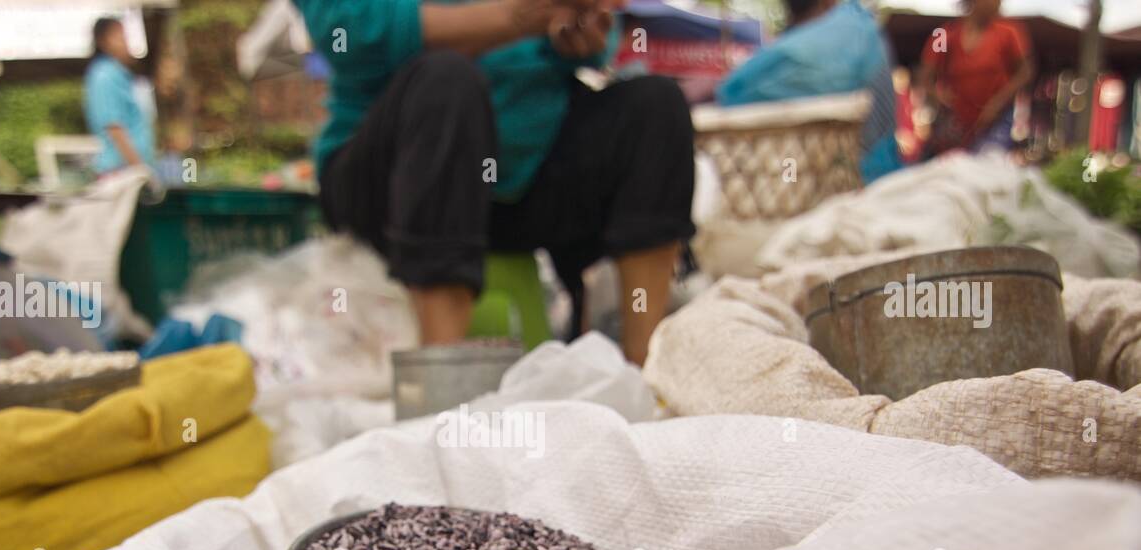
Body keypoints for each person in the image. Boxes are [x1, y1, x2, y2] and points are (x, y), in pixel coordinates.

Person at [295, 0, 695, 364]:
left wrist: (576, 36)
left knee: (655, 106)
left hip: (517, 181)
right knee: (447, 80)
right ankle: (441, 379)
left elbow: (591, 41)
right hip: (390, 185)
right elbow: (346, 36)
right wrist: (513, 17)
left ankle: (644, 369)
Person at [717, 0, 902, 183]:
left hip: (794, 180)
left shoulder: (770, 64)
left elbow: (730, 91)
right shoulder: (860, 31)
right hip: (868, 178)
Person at [917, 0, 1034, 154]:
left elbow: (1025, 71)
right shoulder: (945, 35)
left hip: (995, 123)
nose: (999, 4)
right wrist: (938, 95)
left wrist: (997, 103)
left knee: (987, 166)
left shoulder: (1009, 32)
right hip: (957, 125)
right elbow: (925, 76)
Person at [84, 17, 157, 175]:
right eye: (120, 36)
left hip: (134, 169)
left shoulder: (122, 74)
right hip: (121, 172)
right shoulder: (104, 75)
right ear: (103, 41)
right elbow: (114, 128)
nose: (125, 42)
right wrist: (140, 170)